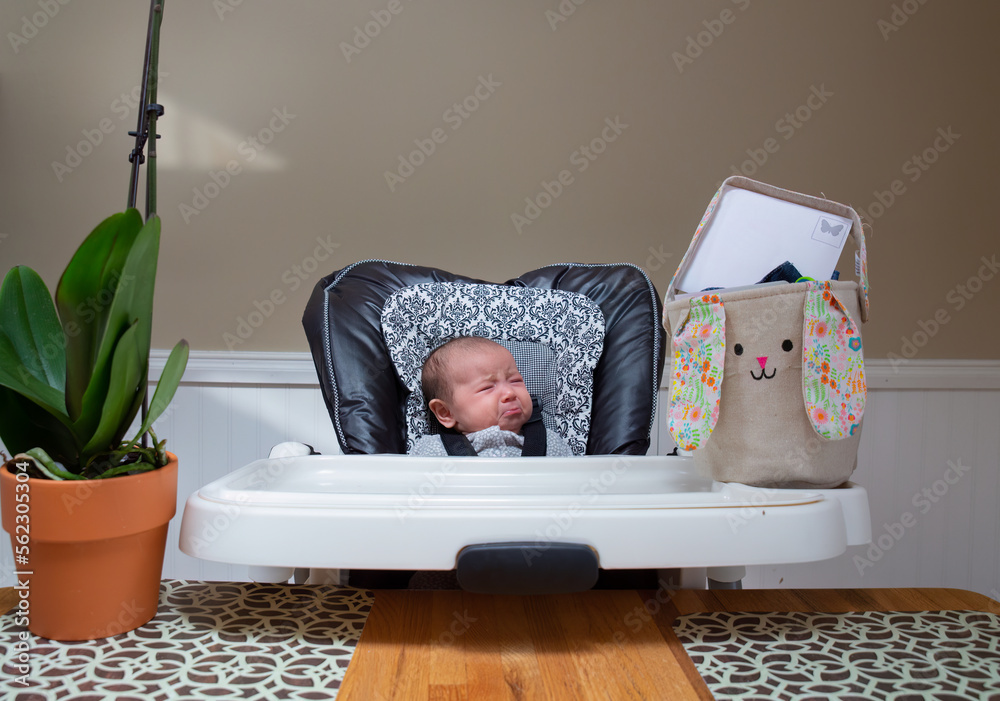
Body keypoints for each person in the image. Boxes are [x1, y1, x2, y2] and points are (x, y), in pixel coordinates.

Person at [409, 336, 573, 457]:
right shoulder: (433, 451)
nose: (510, 393)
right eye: (487, 387)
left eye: (515, 381)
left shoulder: (550, 443)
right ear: (446, 412)